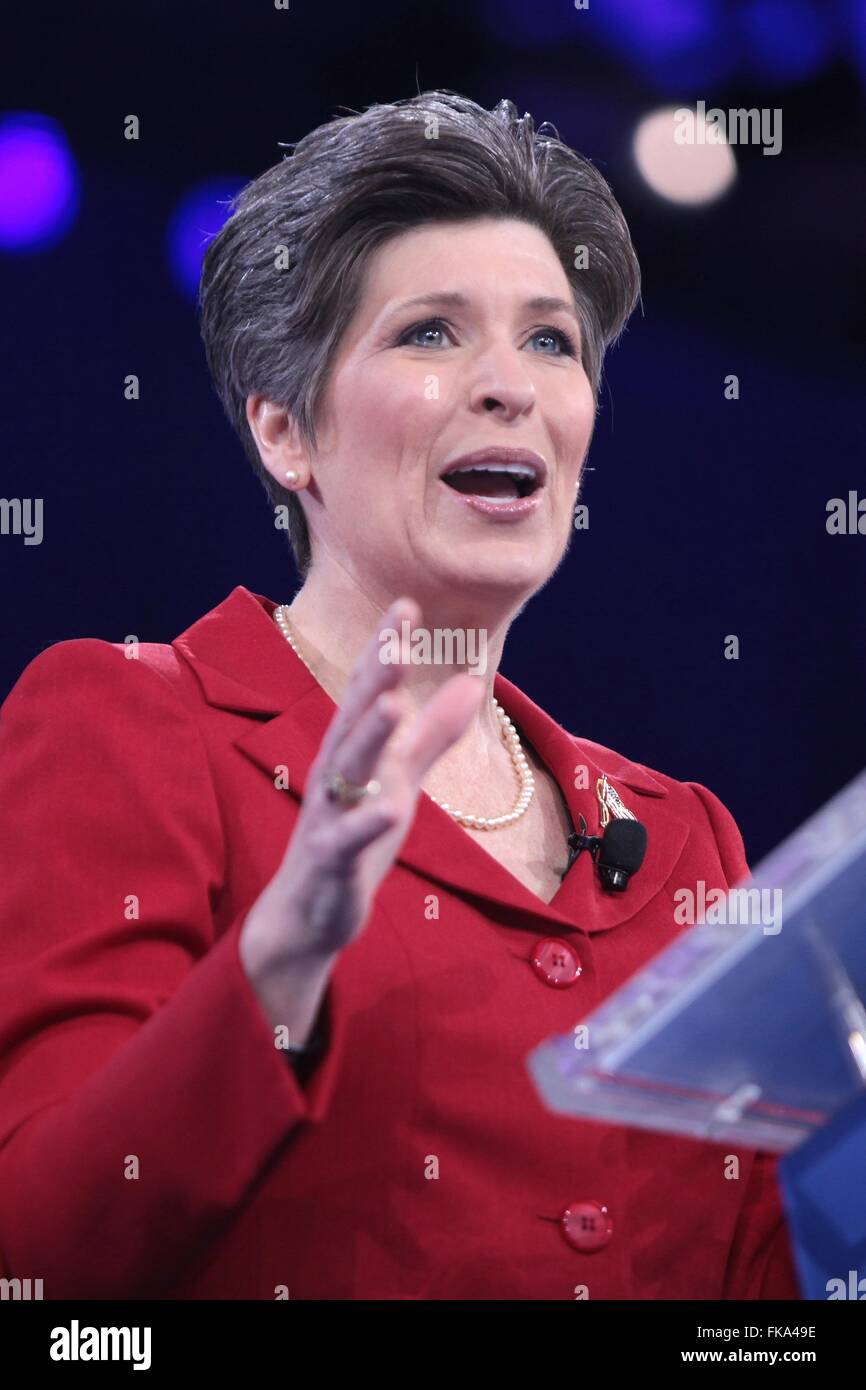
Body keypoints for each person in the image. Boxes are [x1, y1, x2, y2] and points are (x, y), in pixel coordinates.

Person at [0, 91, 799, 1300]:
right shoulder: (125, 724)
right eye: (430, 333)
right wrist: (282, 954)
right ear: (284, 431)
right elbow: (48, 1261)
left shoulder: (686, 835)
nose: (510, 385)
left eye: (550, 341)